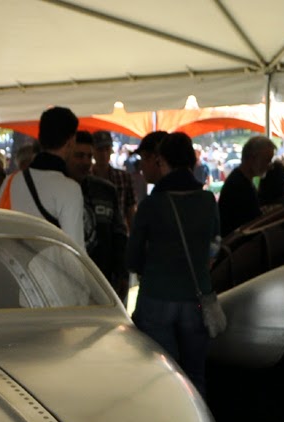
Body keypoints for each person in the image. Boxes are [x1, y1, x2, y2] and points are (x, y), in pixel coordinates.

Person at [126, 131, 219, 394]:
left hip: (156, 297)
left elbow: (132, 256)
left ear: (162, 162)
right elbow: (215, 246)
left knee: (162, 375)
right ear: (192, 162)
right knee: (195, 374)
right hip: (196, 297)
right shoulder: (207, 201)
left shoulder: (152, 204)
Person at [0, 107, 88, 249]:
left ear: (40, 138)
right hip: (50, 271)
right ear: (71, 141)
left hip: (13, 270)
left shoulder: (10, 182)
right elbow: (75, 251)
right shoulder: (69, 189)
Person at [69, 131, 128, 299]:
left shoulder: (106, 190)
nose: (85, 162)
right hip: (68, 277)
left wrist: (122, 273)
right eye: (79, 156)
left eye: (89, 156)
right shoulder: (56, 191)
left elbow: (119, 233)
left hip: (104, 278)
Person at [220, 135, 275, 235]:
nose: (270, 166)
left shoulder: (240, 180)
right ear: (252, 158)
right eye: (267, 160)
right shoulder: (239, 186)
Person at [91, 130, 136, 232]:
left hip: (118, 232)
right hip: (94, 233)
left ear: (111, 150)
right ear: (93, 151)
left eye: (107, 149)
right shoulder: (85, 178)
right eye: (100, 149)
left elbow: (131, 211)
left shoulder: (124, 177)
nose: (104, 154)